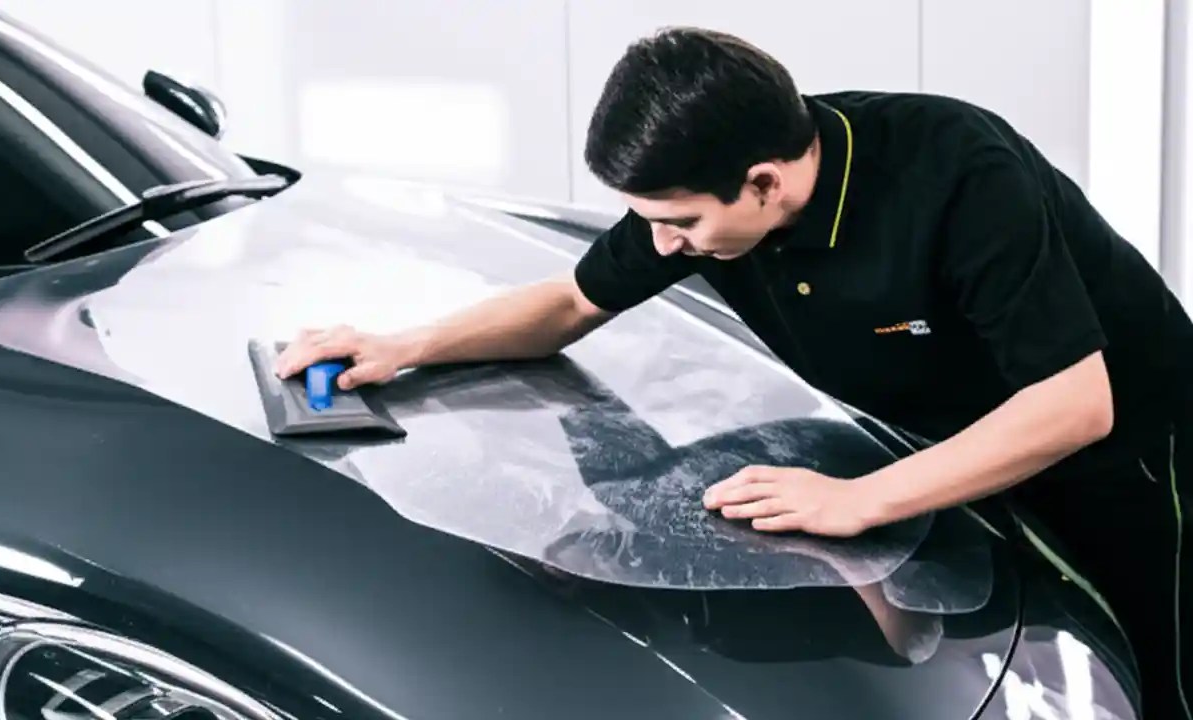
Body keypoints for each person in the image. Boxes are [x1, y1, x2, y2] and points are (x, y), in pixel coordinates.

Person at [275, 27, 1192, 717]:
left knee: (1149, 671)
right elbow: (569, 303)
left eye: (678, 225)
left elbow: (1074, 406)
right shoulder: (704, 187)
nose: (661, 244)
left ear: (763, 183)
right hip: (942, 438)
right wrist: (403, 346)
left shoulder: (959, 175)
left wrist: (862, 499)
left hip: (1131, 453)